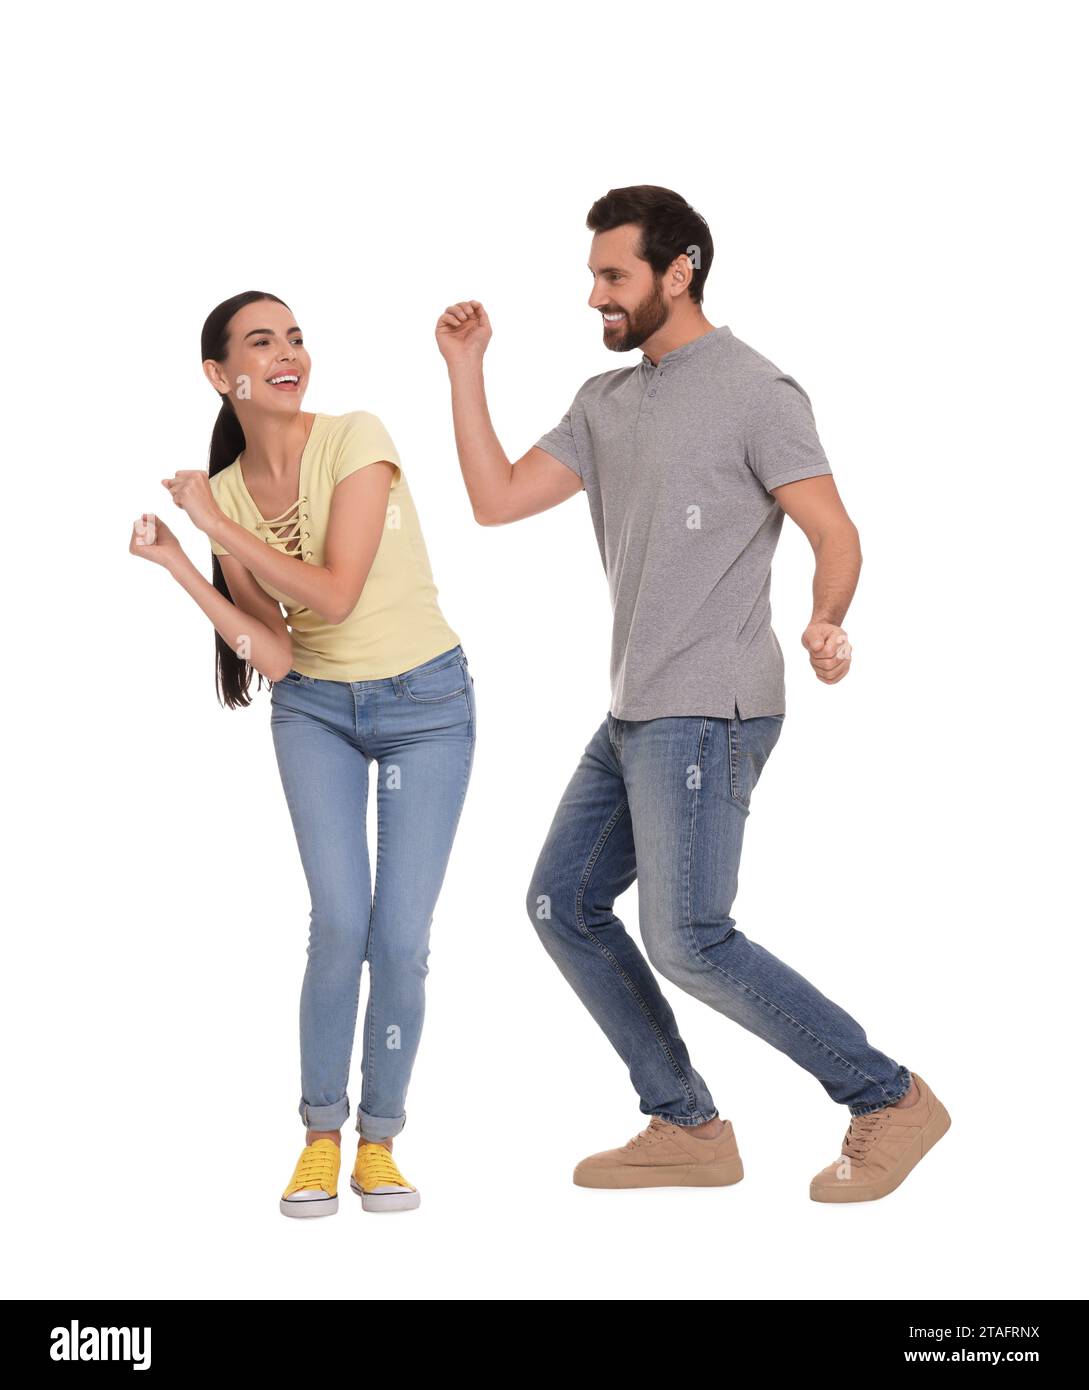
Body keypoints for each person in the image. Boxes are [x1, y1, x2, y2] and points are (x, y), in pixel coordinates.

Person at [435, 186, 949, 1203]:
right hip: (633, 708)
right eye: (592, 275)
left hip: (712, 703)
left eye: (613, 275)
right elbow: (495, 501)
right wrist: (465, 371)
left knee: (690, 937)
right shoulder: (605, 402)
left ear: (681, 271)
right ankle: (687, 1125)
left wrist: (825, 617)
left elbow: (834, 530)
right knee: (562, 901)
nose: (595, 296)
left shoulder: (758, 390)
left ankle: (886, 1096)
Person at [131, 290, 476, 1217]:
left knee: (399, 940)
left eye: (294, 336)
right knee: (339, 923)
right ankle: (320, 1139)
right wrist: (181, 566)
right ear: (220, 375)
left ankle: (380, 1145)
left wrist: (212, 527)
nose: (287, 353)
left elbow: (333, 595)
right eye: (260, 341)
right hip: (316, 713)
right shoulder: (232, 492)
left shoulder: (356, 438)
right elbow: (278, 653)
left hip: (427, 705)